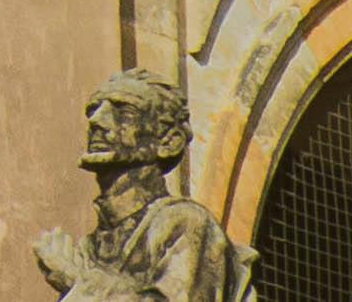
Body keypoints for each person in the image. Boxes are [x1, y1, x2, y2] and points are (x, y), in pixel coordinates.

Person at [40, 67, 252, 302]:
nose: (97, 121)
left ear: (169, 141)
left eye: (125, 112)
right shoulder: (87, 249)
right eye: (94, 109)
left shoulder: (185, 223)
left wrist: (74, 279)